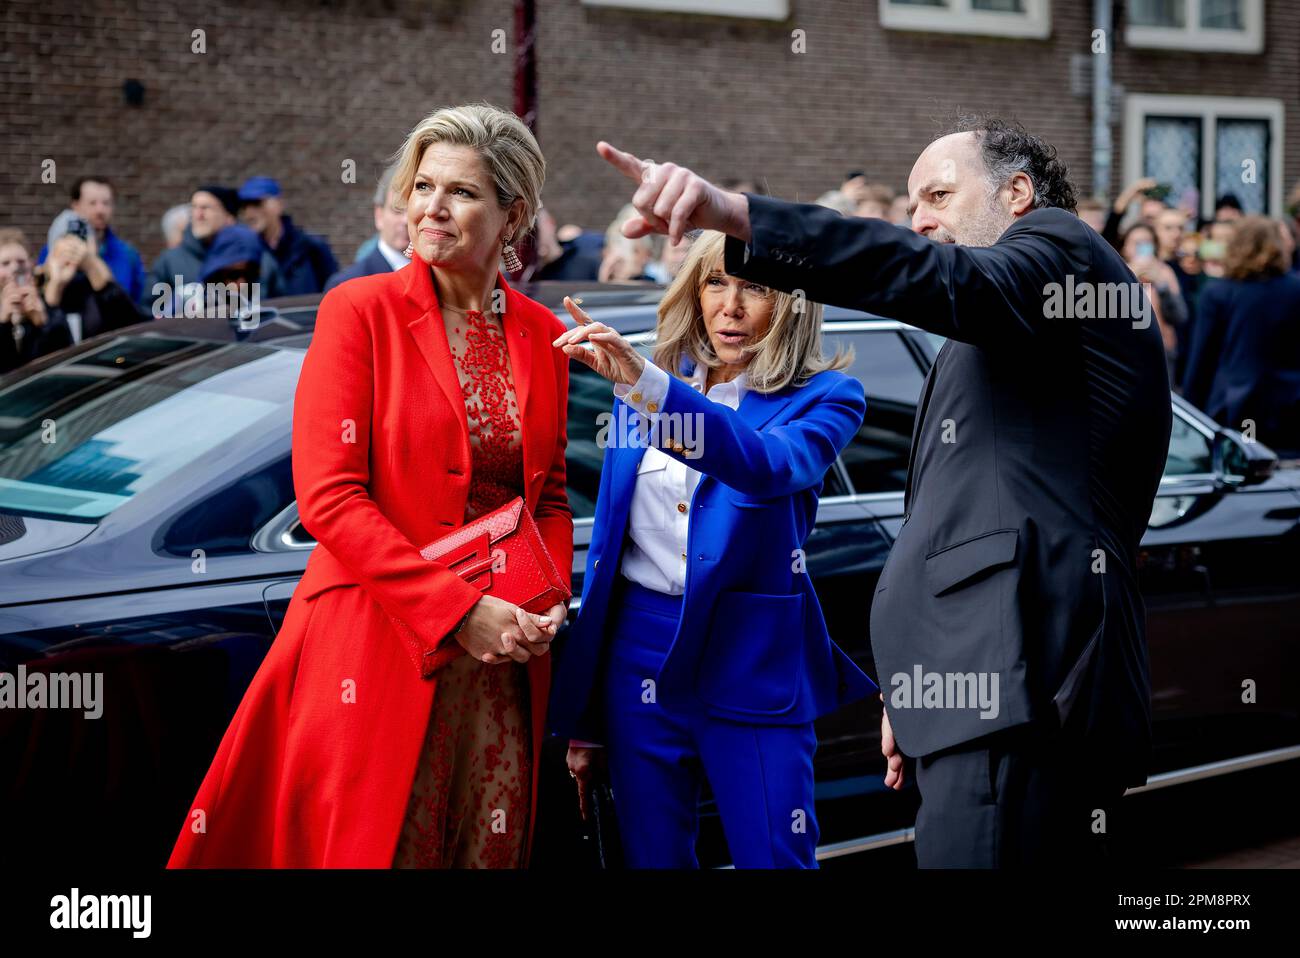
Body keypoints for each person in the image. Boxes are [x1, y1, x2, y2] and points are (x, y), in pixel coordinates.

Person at [596, 113, 1172, 868]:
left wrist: (734, 215)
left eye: (937, 193)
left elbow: (935, 279)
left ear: (1020, 193)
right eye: (910, 206)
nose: (920, 219)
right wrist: (917, 687)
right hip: (976, 689)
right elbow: (958, 516)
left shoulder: (1062, 252)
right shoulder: (998, 334)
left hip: (1020, 688)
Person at [167, 103, 571, 869]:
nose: (431, 207)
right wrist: (459, 611)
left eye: (461, 192)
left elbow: (546, 498)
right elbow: (329, 498)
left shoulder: (541, 335)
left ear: (512, 214)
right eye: (421, 186)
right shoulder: (359, 309)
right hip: (374, 643)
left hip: (499, 671)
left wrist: (545, 598)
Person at [549, 230, 875, 868]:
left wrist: (646, 387)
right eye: (715, 282)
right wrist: (587, 715)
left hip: (751, 659)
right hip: (636, 655)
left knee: (775, 858)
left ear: (793, 304)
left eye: (755, 287)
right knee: (653, 859)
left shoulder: (828, 398)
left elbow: (764, 465)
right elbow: (610, 552)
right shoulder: (643, 385)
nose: (730, 305)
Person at [1181, 216, 1300, 457]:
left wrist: (1192, 417)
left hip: (1233, 409)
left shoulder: (1218, 292)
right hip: (1289, 408)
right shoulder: (1294, 289)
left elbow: (1201, 360)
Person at [146, 185, 283, 316]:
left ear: (229, 217)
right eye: (194, 208)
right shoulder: (169, 261)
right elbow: (149, 314)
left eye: (206, 208)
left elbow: (281, 307)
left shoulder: (258, 258)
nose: (198, 215)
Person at [37, 176, 146, 304]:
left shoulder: (128, 254)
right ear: (75, 206)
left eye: (106, 203)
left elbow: (137, 305)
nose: (100, 210)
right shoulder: (53, 251)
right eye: (92, 203)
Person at [238, 177, 339, 295]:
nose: (249, 214)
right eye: (244, 207)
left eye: (257, 204)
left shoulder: (311, 248)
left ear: (279, 204)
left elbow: (334, 292)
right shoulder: (245, 255)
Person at [324, 167, 409, 292]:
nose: (406, 220)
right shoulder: (345, 285)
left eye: (412, 211)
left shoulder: (439, 279)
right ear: (379, 215)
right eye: (397, 210)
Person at [0, 229, 64, 373]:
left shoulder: (47, 306)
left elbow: (64, 357)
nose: (15, 268)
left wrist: (41, 324)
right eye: (5, 263)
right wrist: (3, 322)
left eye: (21, 262)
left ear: (31, 265)